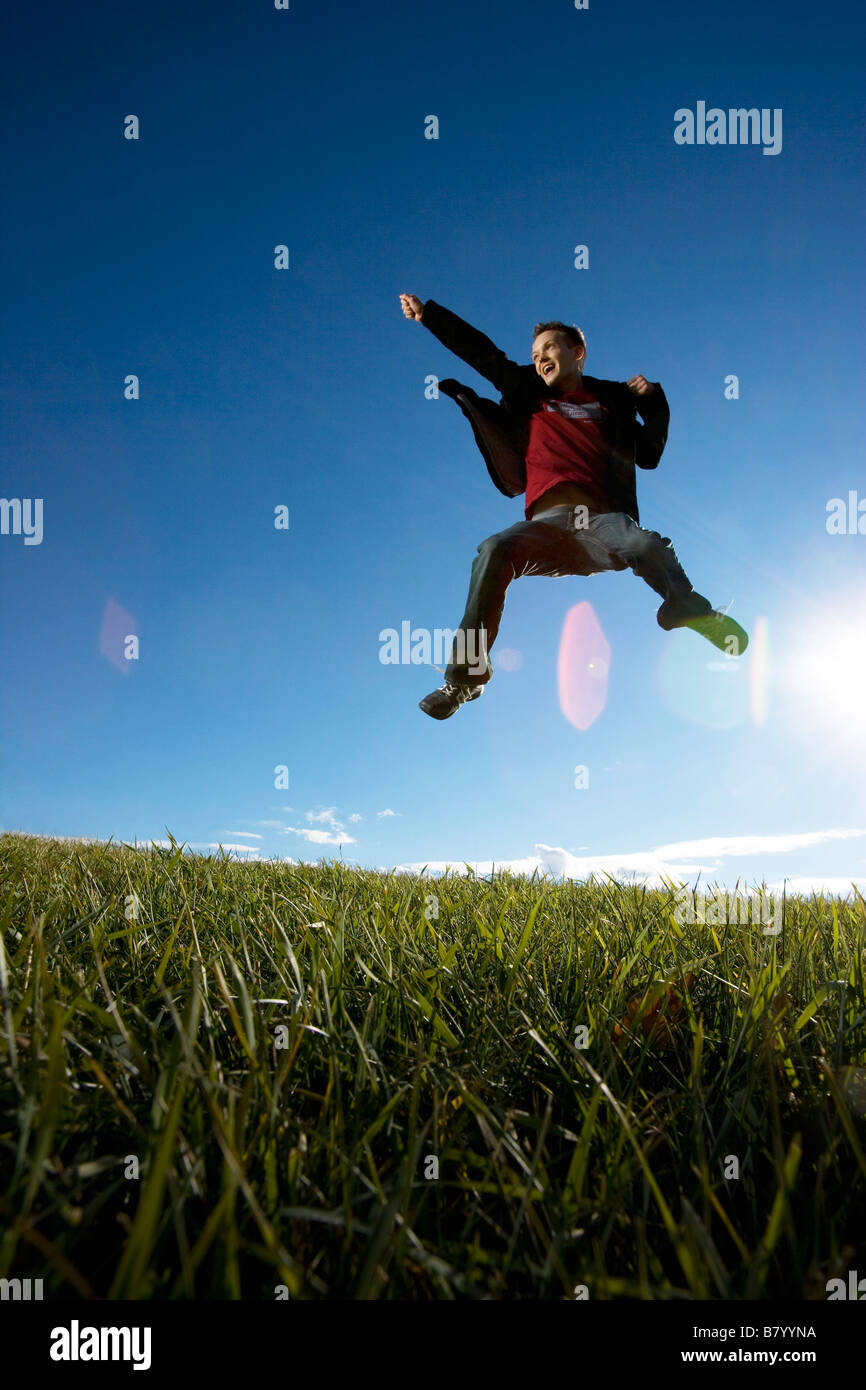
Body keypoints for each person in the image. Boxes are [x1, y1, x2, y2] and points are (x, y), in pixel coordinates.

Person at [400, 293, 749, 720]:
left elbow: (649, 454)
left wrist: (654, 402)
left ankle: (689, 609)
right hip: (546, 528)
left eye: (549, 348)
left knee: (646, 545)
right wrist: (429, 315)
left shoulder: (612, 403)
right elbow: (481, 352)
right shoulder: (525, 389)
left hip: (601, 525)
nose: (540, 357)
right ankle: (463, 681)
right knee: (493, 550)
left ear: (576, 352)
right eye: (534, 353)